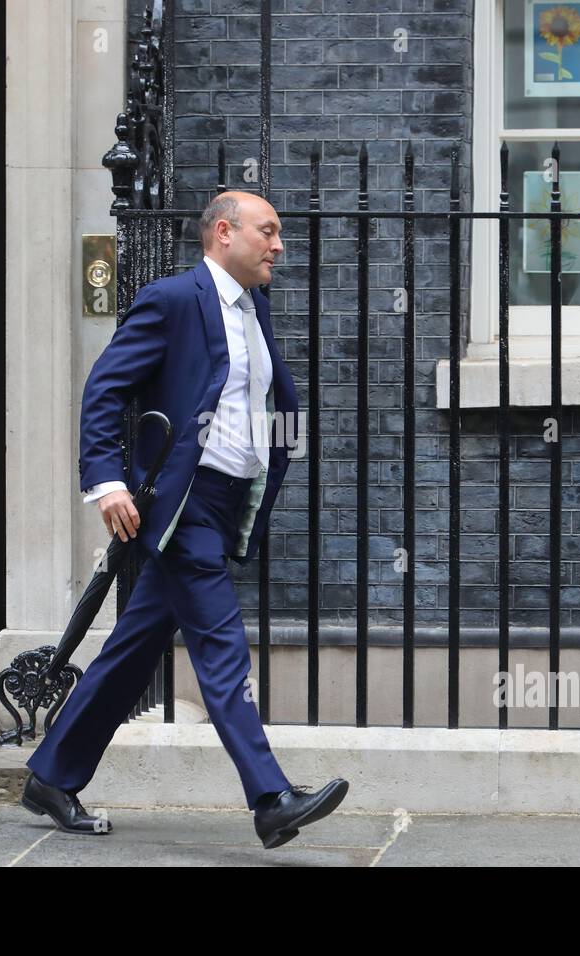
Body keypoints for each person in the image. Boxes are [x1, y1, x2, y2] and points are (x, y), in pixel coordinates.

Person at [20, 190, 348, 849]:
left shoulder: (254, 309)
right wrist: (107, 479)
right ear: (223, 233)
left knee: (133, 648)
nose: (278, 245)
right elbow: (105, 386)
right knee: (222, 647)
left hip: (227, 502)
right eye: (269, 231)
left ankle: (51, 776)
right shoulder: (174, 300)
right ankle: (270, 797)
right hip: (185, 504)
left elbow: (263, 402)